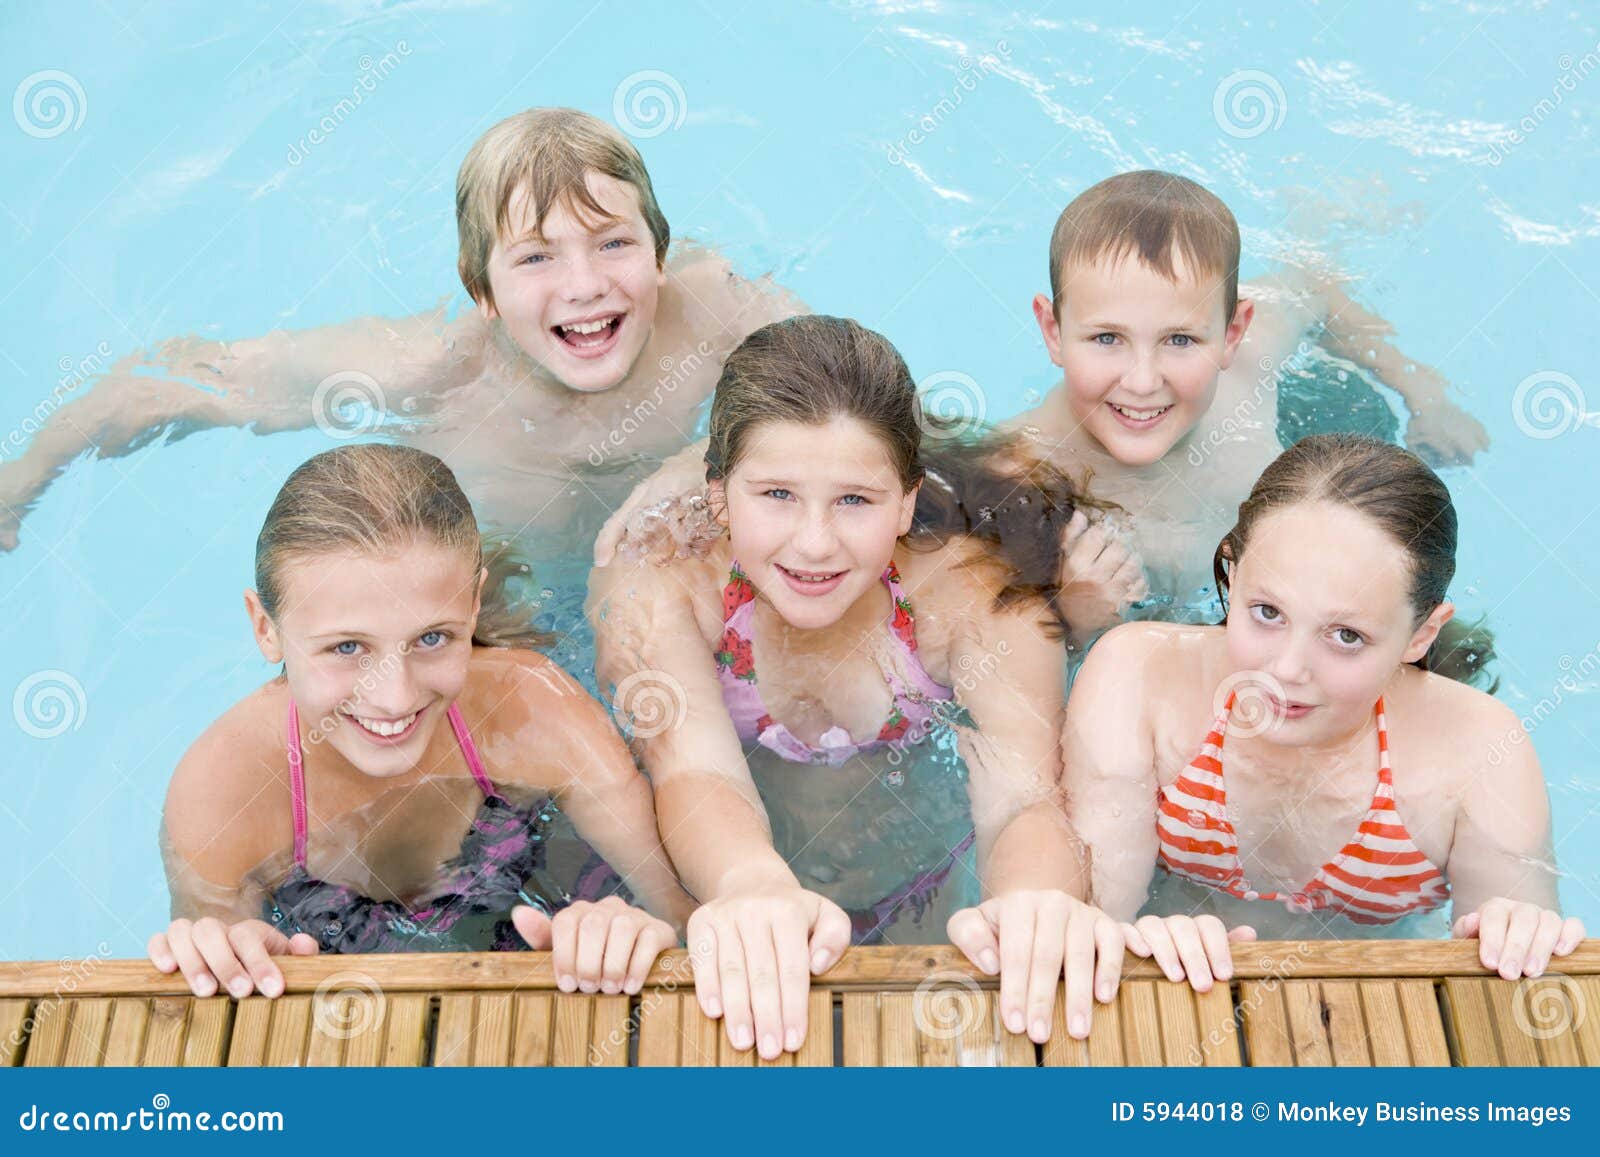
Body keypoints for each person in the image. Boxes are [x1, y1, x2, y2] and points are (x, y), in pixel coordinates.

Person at [591, 315, 1130, 1061]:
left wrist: (1034, 902)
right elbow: (692, 768)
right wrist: (751, 884)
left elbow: (1024, 797)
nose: (814, 542)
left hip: (908, 880)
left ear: (906, 503)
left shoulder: (970, 599)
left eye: (855, 501)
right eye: (776, 493)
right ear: (718, 495)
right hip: (715, 882)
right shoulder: (663, 583)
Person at [0, 107, 802, 559]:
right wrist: (20, 481)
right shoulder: (432, 372)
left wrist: (694, 469)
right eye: (534, 257)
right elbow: (168, 384)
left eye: (614, 242)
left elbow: (861, 401)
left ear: (660, 252)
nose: (584, 284)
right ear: (480, 289)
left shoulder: (719, 307)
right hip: (516, 605)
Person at [149, 442, 692, 1000]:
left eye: (432, 637)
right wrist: (226, 958)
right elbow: (215, 1017)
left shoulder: (538, 711)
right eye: (346, 647)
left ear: (474, 606)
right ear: (265, 628)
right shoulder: (223, 792)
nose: (394, 696)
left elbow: (681, 913)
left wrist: (632, 932)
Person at [1063, 434, 1580, 991]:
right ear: (1232, 576)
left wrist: (1516, 932)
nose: (1286, 669)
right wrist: (1131, 939)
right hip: (1180, 974)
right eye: (1267, 611)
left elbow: (1507, 993)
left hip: (1378, 996)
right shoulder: (1139, 676)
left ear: (1422, 634)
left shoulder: (1479, 750)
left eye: (1346, 635)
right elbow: (1087, 917)